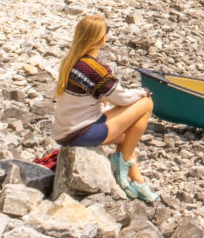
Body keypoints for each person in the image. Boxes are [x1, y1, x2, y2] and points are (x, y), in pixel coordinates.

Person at [53, 14, 160, 202]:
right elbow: (122, 99)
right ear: (100, 38)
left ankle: (136, 181)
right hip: (80, 132)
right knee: (146, 103)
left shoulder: (71, 61)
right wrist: (143, 91)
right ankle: (124, 161)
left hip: (65, 131)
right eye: (106, 31)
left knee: (127, 137)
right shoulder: (92, 68)